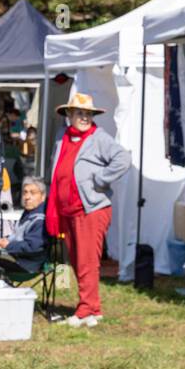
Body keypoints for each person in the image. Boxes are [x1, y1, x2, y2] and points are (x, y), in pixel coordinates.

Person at [45, 92, 131, 328]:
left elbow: (123, 158)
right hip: (68, 209)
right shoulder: (63, 138)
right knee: (76, 259)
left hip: (90, 208)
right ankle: (93, 308)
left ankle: (85, 311)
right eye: (80, 113)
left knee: (87, 260)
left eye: (88, 114)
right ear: (69, 115)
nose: (84, 118)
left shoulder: (98, 138)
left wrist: (101, 179)